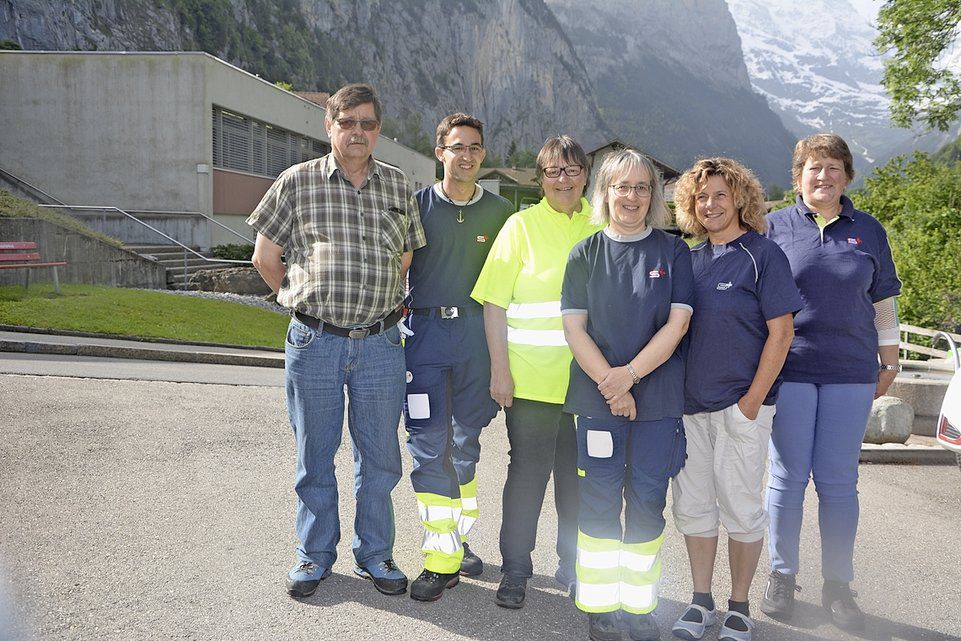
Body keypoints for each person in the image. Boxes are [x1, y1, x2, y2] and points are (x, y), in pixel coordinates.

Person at [247, 83, 426, 599]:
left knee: (380, 457)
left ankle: (375, 554)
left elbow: (406, 259)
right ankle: (314, 554)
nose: (358, 132)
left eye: (368, 123)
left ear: (378, 131)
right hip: (315, 342)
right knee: (315, 454)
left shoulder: (398, 185)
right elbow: (265, 257)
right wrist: (299, 298)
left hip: (381, 344)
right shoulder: (296, 181)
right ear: (329, 125)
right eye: (348, 122)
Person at [761, 133, 901, 631]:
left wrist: (890, 359)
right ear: (798, 175)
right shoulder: (773, 226)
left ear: (847, 176)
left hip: (850, 372)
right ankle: (781, 576)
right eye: (813, 168)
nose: (823, 176)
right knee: (787, 477)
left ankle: (839, 585)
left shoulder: (869, 230)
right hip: (791, 370)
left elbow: (883, 298)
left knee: (839, 483)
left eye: (833, 167)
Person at [561, 148, 693, 641]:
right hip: (598, 401)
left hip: (657, 402)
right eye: (622, 187)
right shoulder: (584, 254)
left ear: (654, 196)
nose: (632, 196)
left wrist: (630, 377)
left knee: (646, 499)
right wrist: (612, 388)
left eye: (641, 188)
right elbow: (575, 331)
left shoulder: (673, 252)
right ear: (605, 192)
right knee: (597, 498)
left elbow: (677, 325)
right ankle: (600, 607)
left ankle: (639, 606)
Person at [670, 158, 801, 641]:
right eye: (701, 197)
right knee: (694, 505)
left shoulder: (762, 255)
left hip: (740, 408)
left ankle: (739, 607)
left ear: (740, 199)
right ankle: (700, 601)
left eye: (720, 195)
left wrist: (751, 401)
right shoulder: (689, 258)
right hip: (689, 407)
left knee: (742, 507)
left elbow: (782, 333)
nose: (710, 204)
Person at [471, 135, 604, 609]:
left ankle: (570, 564)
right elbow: (494, 306)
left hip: (592, 385)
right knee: (527, 476)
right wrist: (499, 372)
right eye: (553, 171)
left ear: (586, 175)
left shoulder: (604, 225)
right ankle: (516, 570)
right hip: (530, 382)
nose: (562, 180)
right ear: (540, 177)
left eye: (571, 171)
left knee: (579, 479)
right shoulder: (519, 227)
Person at [402, 113, 513, 601]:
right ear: (439, 152)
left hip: (478, 336)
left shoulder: (503, 213)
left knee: (465, 445)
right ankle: (439, 558)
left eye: (474, 147)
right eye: (456, 146)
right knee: (429, 444)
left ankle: (458, 540)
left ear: (482, 155)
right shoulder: (415, 206)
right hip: (425, 334)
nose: (465, 155)